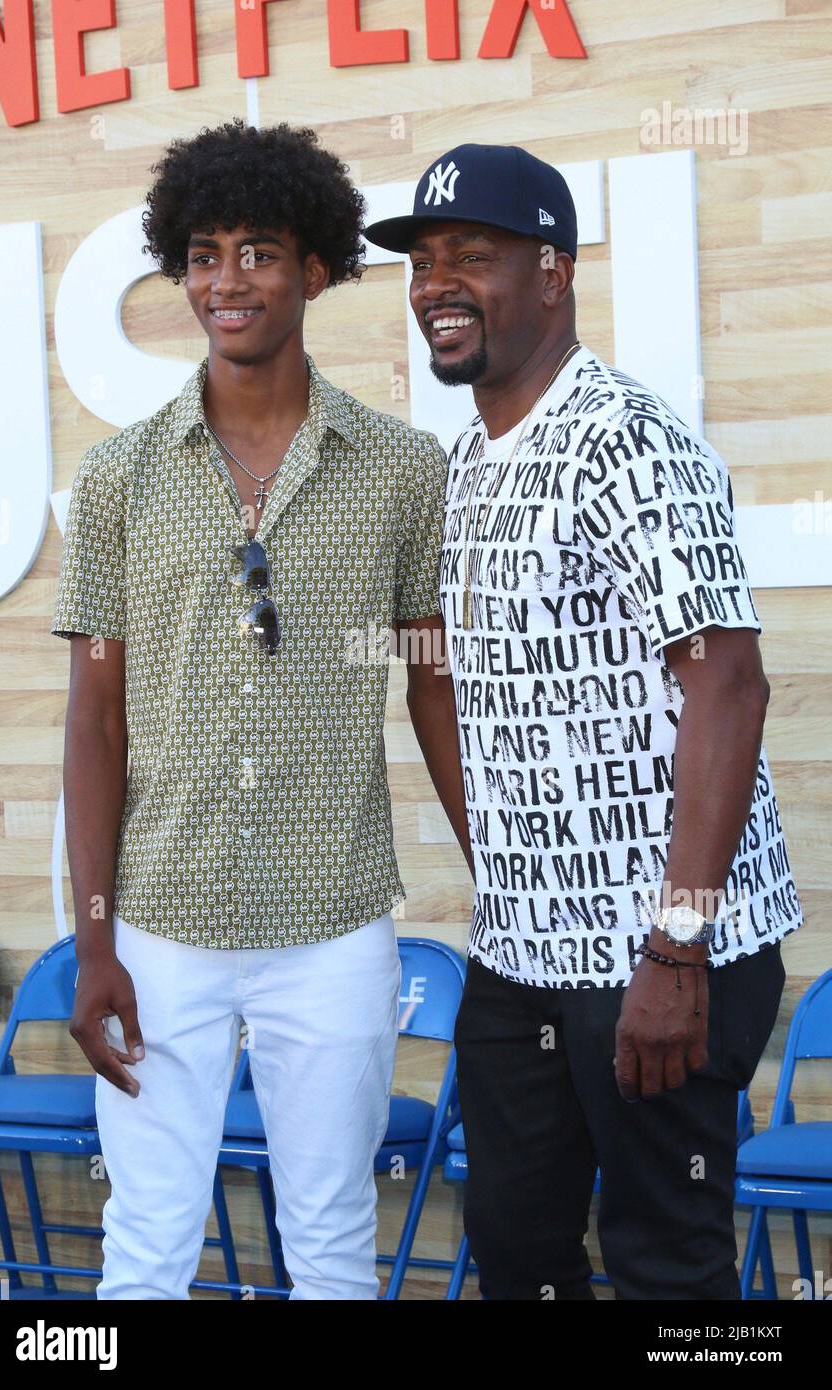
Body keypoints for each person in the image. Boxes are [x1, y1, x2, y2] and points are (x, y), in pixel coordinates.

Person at [364, 143, 803, 1300]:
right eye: (421, 261)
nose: (435, 282)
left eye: (473, 255)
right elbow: (445, 678)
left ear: (552, 272)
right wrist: (500, 861)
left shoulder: (624, 437)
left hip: (657, 957)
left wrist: (675, 941)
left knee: (670, 1271)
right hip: (519, 955)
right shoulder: (465, 462)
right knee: (517, 1253)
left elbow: (727, 684)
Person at [51, 119, 472, 1301]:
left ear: (318, 268)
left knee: (333, 1233)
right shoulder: (120, 475)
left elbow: (431, 679)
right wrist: (93, 942)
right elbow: (93, 720)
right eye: (203, 253)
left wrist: (497, 862)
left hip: (335, 930)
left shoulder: (399, 468)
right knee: (147, 1237)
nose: (225, 281)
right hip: (156, 928)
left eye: (258, 252)